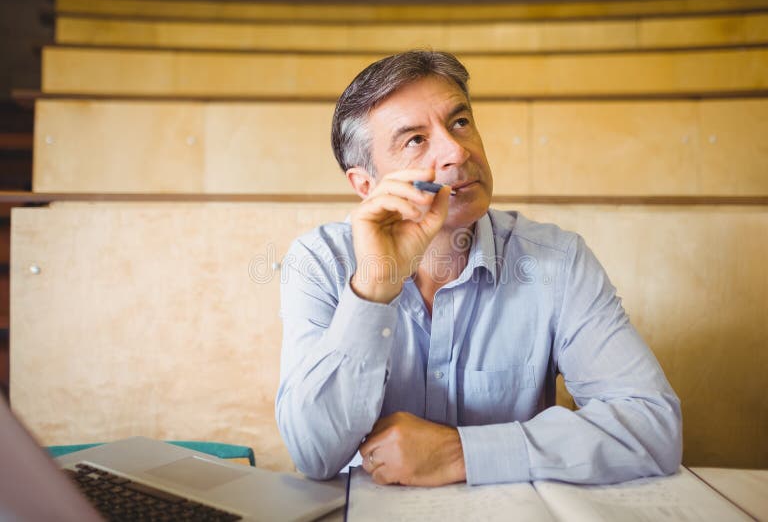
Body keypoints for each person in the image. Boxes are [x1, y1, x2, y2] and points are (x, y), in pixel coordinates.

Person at [275, 50, 681, 487]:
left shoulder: (558, 260)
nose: (456, 151)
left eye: (460, 122)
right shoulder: (318, 262)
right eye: (415, 140)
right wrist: (374, 286)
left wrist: (460, 453)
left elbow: (653, 425)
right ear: (366, 185)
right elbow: (313, 453)